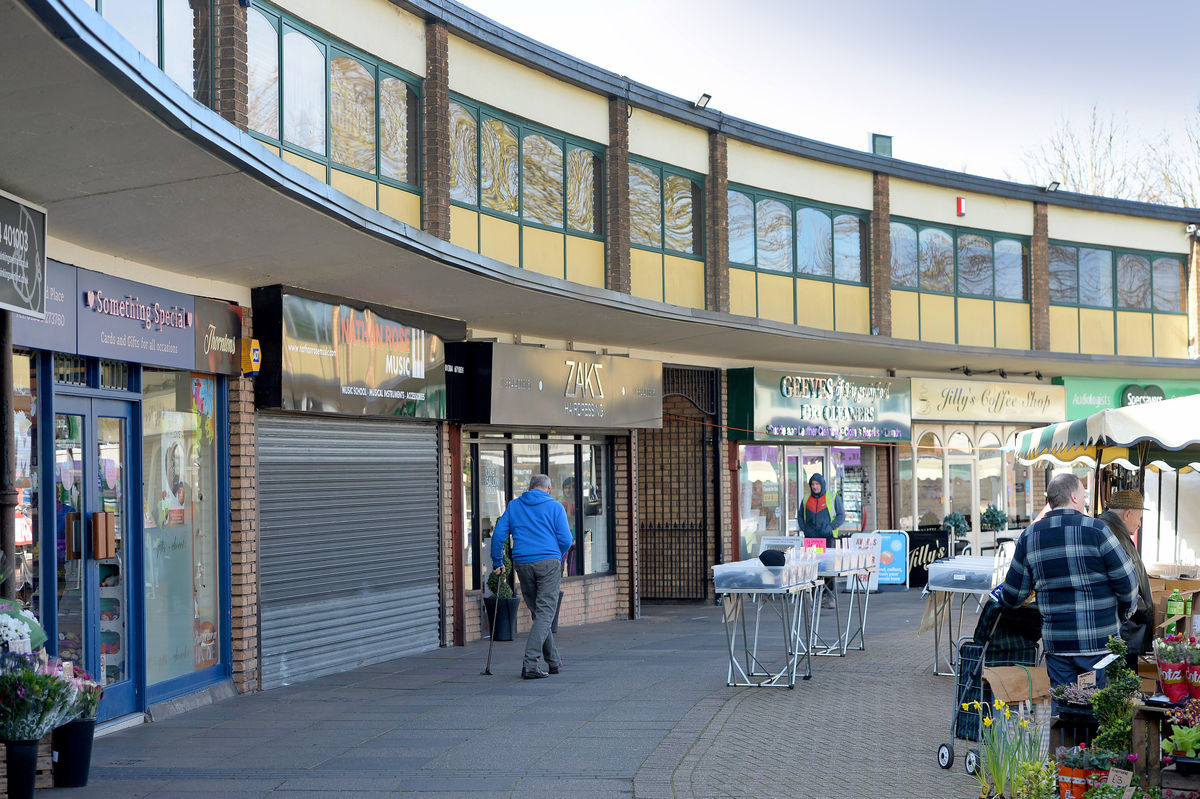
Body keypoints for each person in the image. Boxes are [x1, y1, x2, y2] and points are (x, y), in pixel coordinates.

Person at [997, 473, 1138, 692]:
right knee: (1097, 709)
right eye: (1083, 494)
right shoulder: (1098, 531)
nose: (1084, 500)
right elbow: (1128, 582)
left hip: (1058, 645)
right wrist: (1124, 614)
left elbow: (1013, 595)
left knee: (1063, 709)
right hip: (1099, 643)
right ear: (1073, 497)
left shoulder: (1029, 536)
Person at [491, 473, 573, 680]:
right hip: (548, 562)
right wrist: (557, 555)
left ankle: (553, 660)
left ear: (529, 487)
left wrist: (497, 561)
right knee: (545, 612)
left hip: (522, 562)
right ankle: (530, 664)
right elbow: (566, 538)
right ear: (548, 489)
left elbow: (499, 534)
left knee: (539, 611)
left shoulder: (515, 505)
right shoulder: (555, 506)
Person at [1097, 489, 1153, 667]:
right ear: (1128, 513)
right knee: (1122, 688)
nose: (1139, 524)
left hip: (1122, 629)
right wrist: (1140, 609)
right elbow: (1125, 586)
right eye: (1139, 517)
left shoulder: (1109, 530)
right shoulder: (1113, 535)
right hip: (1121, 631)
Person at [799, 473, 845, 608]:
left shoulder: (832, 497)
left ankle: (829, 596)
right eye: (812, 484)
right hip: (811, 539)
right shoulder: (806, 499)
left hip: (828, 538)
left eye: (817, 484)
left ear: (822, 484)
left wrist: (830, 528)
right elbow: (800, 516)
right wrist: (805, 529)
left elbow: (841, 516)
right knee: (814, 568)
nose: (814, 487)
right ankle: (815, 596)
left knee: (827, 568)